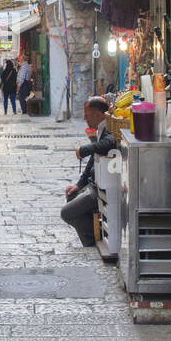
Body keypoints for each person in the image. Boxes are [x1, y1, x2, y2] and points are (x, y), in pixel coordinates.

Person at [60, 97, 117, 248]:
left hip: (100, 187)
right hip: (93, 183)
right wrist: (79, 185)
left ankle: (93, 238)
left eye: (87, 114)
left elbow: (109, 143)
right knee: (72, 196)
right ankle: (93, 237)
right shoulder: (100, 129)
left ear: (97, 114)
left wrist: (85, 149)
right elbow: (93, 159)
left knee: (67, 212)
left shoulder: (110, 127)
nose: (84, 118)